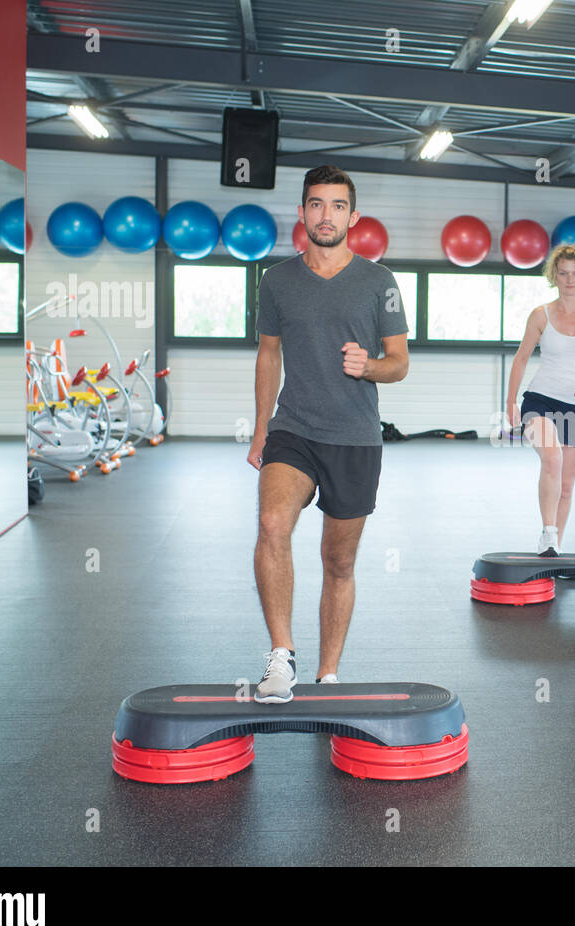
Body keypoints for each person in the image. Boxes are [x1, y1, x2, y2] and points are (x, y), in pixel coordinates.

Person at [247, 165, 410, 703]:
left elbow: (400, 363)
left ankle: (329, 673)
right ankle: (280, 656)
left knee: (338, 563)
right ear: (301, 213)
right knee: (272, 523)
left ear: (353, 217)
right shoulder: (277, 281)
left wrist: (369, 366)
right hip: (294, 428)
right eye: (316, 204)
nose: (326, 215)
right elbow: (268, 354)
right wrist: (260, 429)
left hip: (356, 437)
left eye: (337, 206)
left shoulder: (379, 283)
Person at [506, 244, 575, 556]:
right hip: (539, 401)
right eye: (563, 273)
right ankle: (548, 533)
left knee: (566, 486)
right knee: (552, 458)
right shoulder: (540, 315)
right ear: (554, 275)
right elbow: (521, 358)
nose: (569, 280)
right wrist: (511, 402)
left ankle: (553, 549)